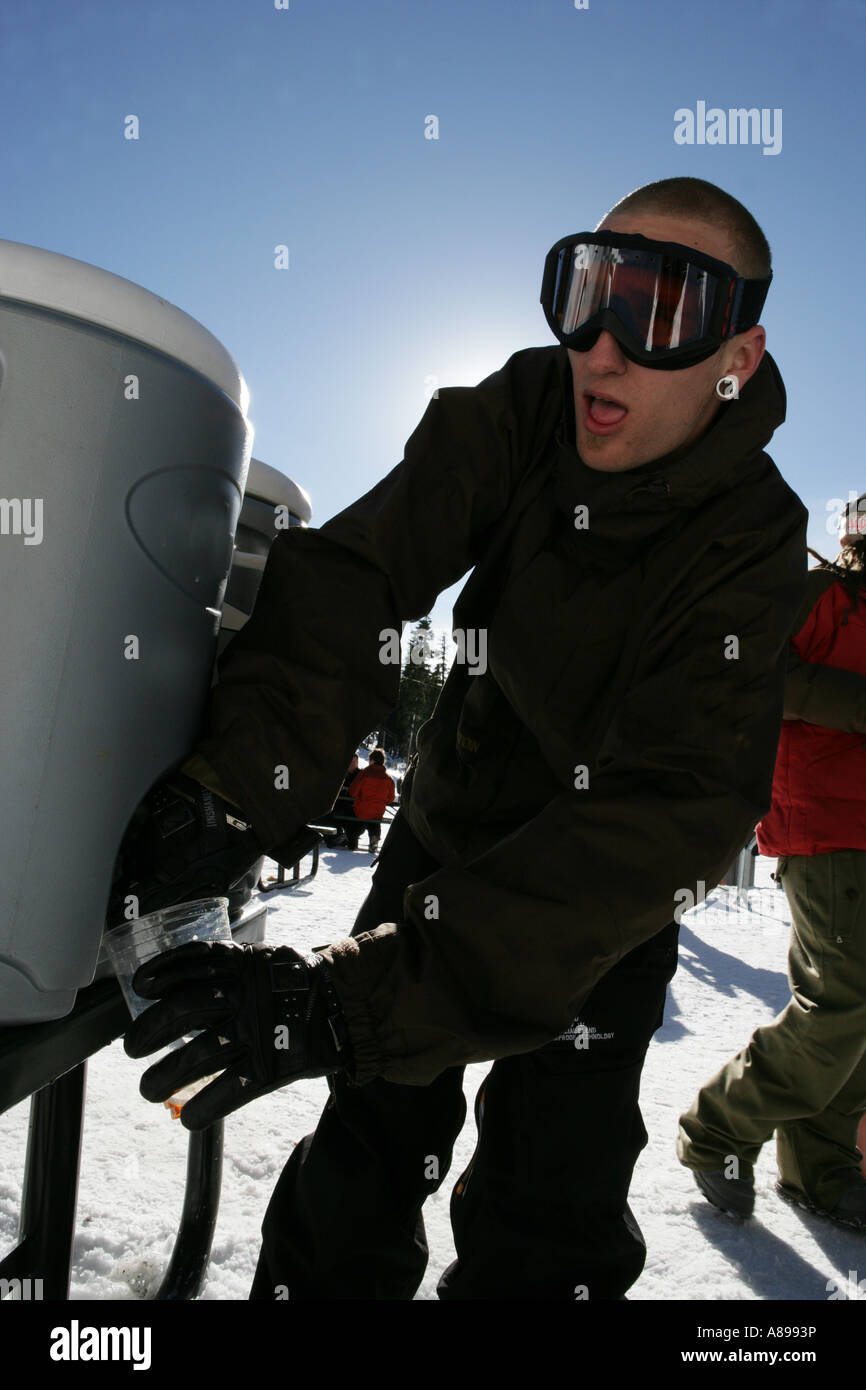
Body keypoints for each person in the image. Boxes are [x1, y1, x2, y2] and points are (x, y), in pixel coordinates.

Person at [117, 176, 809, 1300]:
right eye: (585, 292)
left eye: (661, 311)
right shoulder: (528, 407)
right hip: (443, 834)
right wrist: (239, 786)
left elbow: (676, 800)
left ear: (737, 355)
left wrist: (348, 1002)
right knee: (364, 1155)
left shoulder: (752, 535)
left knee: (552, 1199)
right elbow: (362, 569)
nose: (602, 348)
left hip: (601, 897)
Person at [677, 494, 866, 1229]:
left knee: (861, 1014)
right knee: (840, 1000)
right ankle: (718, 1130)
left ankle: (820, 1167)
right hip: (825, 826)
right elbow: (755, 675)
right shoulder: (819, 597)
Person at [343, 748, 395, 853]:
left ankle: (352, 840)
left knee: (353, 818)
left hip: (361, 809)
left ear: (372, 760)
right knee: (374, 821)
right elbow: (391, 798)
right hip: (378, 811)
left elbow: (353, 792)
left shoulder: (364, 774)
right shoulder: (388, 778)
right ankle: (374, 837)